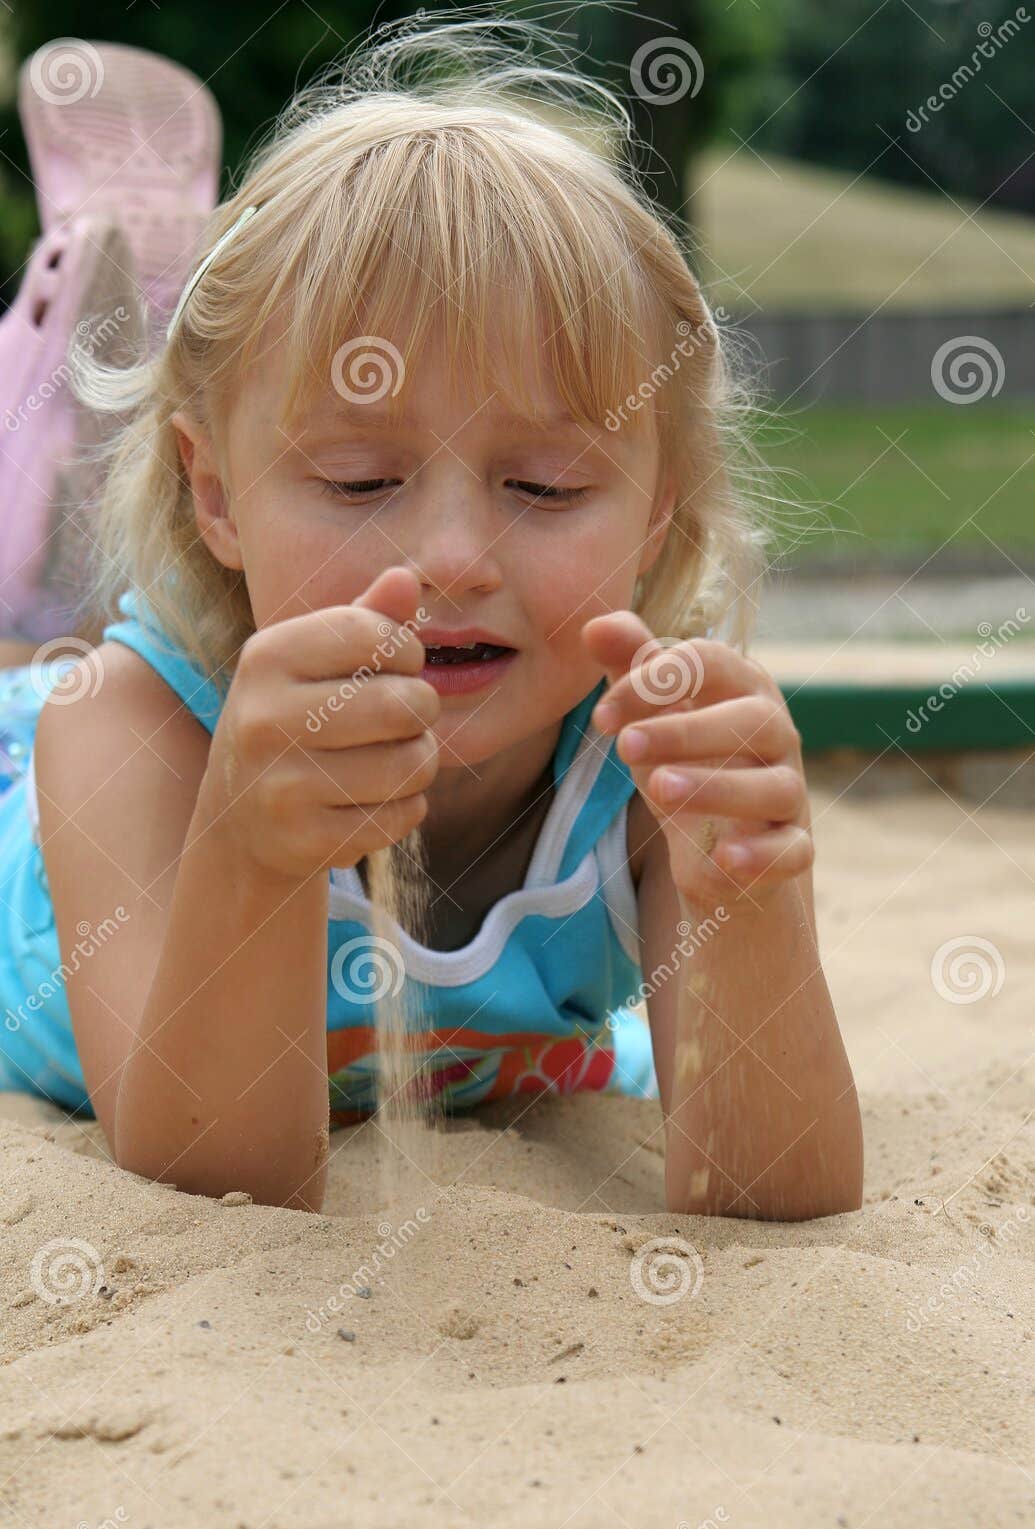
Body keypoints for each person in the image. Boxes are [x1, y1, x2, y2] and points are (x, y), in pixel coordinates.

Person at [0, 11, 863, 1220]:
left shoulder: (650, 764)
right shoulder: (122, 734)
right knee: (40, 636)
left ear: (655, 517)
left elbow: (775, 1200)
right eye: (360, 481)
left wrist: (751, 905)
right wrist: (250, 852)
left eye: (545, 487)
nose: (453, 558)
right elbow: (213, 1180)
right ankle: (65, 403)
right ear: (220, 499)